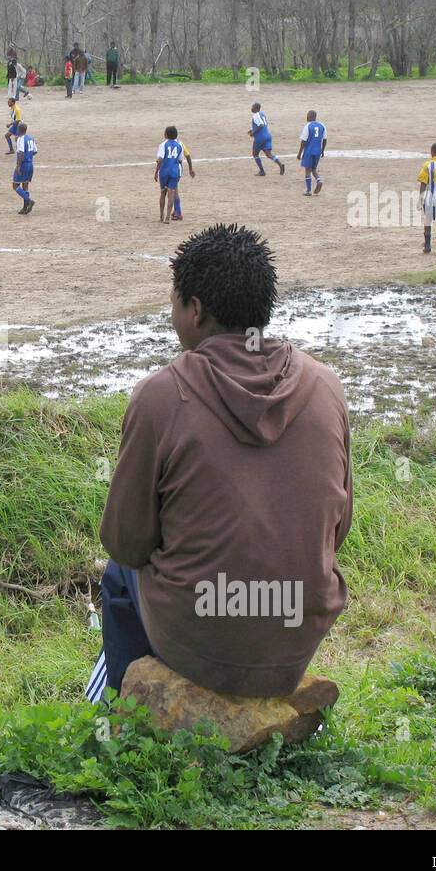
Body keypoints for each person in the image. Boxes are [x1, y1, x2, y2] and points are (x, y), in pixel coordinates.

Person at [84, 223, 352, 704]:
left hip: (199, 639)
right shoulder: (325, 385)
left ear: (196, 310)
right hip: (295, 637)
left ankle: (124, 717)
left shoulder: (161, 395)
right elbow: (339, 527)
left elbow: (125, 542)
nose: (172, 314)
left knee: (117, 575)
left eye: (174, 303)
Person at [155, 125, 195, 222]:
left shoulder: (163, 145)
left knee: (162, 194)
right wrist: (189, 169)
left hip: (164, 171)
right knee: (171, 194)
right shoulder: (180, 145)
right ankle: (168, 217)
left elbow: (160, 159)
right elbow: (182, 159)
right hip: (175, 171)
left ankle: (161, 216)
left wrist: (156, 172)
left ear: (166, 134)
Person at [248, 103, 285, 177]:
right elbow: (263, 125)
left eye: (252, 107)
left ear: (256, 108)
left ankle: (262, 171)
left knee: (255, 154)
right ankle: (280, 164)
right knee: (268, 154)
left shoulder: (256, 115)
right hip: (267, 136)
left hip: (260, 138)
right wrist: (252, 130)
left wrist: (253, 133)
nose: (251, 108)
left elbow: (261, 125)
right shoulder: (262, 115)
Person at [296, 110, 327, 195]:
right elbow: (324, 139)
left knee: (307, 170)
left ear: (309, 117)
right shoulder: (322, 125)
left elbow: (303, 141)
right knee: (314, 169)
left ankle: (309, 190)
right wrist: (322, 150)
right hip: (317, 151)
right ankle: (318, 180)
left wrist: (299, 153)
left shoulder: (308, 126)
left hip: (309, 151)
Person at [13, 121, 37, 215]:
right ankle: (25, 207)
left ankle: (29, 201)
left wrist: (18, 165)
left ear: (19, 130)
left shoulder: (20, 139)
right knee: (25, 185)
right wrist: (29, 156)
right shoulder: (30, 138)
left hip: (23, 164)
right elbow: (35, 151)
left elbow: (21, 152)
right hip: (30, 163)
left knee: (15, 185)